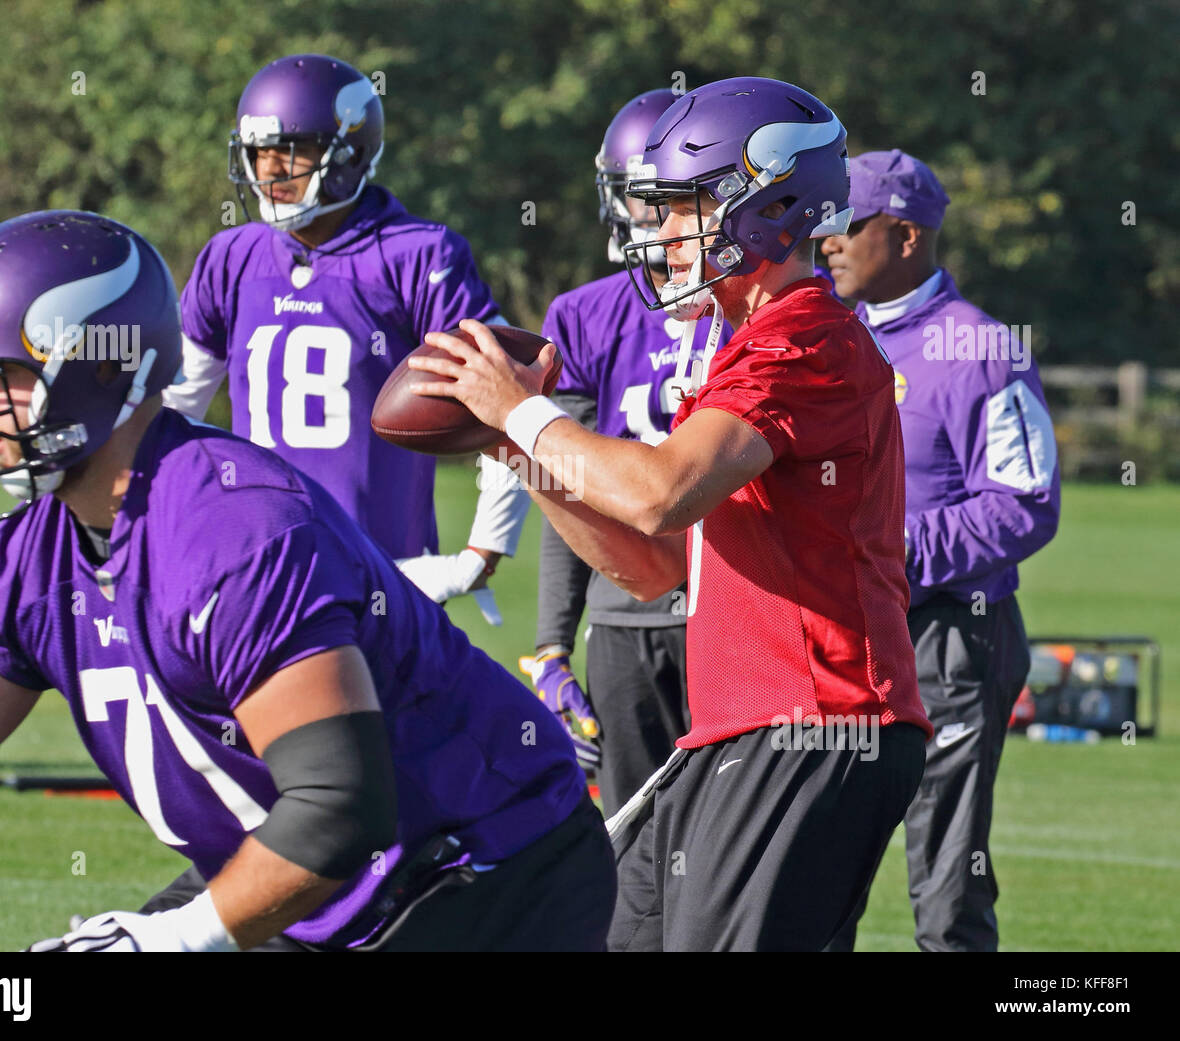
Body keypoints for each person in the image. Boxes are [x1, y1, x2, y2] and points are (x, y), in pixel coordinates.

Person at [0, 210, 615, 952]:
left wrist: (168, 940)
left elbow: (336, 806)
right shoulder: (27, 557)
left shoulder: (232, 530)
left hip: (478, 873)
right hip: (315, 881)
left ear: (102, 365)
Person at [408, 77, 930, 951]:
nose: (660, 235)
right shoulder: (746, 348)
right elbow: (656, 569)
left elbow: (658, 492)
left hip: (815, 720)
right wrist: (532, 460)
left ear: (766, 206)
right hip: (740, 728)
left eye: (682, 208)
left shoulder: (806, 338)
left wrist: (524, 412)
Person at [162, 53, 528, 621]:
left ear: (349, 153)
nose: (269, 172)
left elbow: (514, 400)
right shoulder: (230, 257)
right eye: (258, 153)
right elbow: (168, 413)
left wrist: (485, 547)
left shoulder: (417, 255)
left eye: (290, 152)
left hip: (380, 573)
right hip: (253, 564)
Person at [820, 149, 1059, 951]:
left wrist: (886, 553)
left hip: (947, 641)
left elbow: (1024, 503)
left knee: (947, 890)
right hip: (833, 644)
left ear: (909, 235)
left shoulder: (983, 349)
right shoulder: (823, 335)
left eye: (849, 225)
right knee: (812, 883)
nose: (827, 242)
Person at [523, 88, 716, 815]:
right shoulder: (584, 315)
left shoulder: (753, 309)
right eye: (640, 199)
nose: (650, 221)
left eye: (668, 199)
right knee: (634, 842)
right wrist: (551, 647)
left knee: (731, 852)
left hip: (731, 610)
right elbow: (561, 487)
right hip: (623, 616)